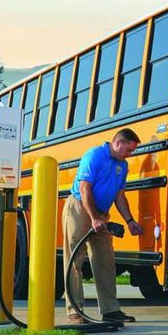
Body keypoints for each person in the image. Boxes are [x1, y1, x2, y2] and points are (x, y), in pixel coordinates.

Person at [63, 128, 144, 324]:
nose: (130, 154)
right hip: (80, 208)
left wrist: (130, 221)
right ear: (118, 143)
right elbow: (85, 189)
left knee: (106, 261)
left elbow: (119, 196)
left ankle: (110, 310)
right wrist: (93, 218)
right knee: (75, 260)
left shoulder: (122, 166)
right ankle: (75, 311)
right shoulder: (94, 155)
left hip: (100, 213)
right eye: (129, 150)